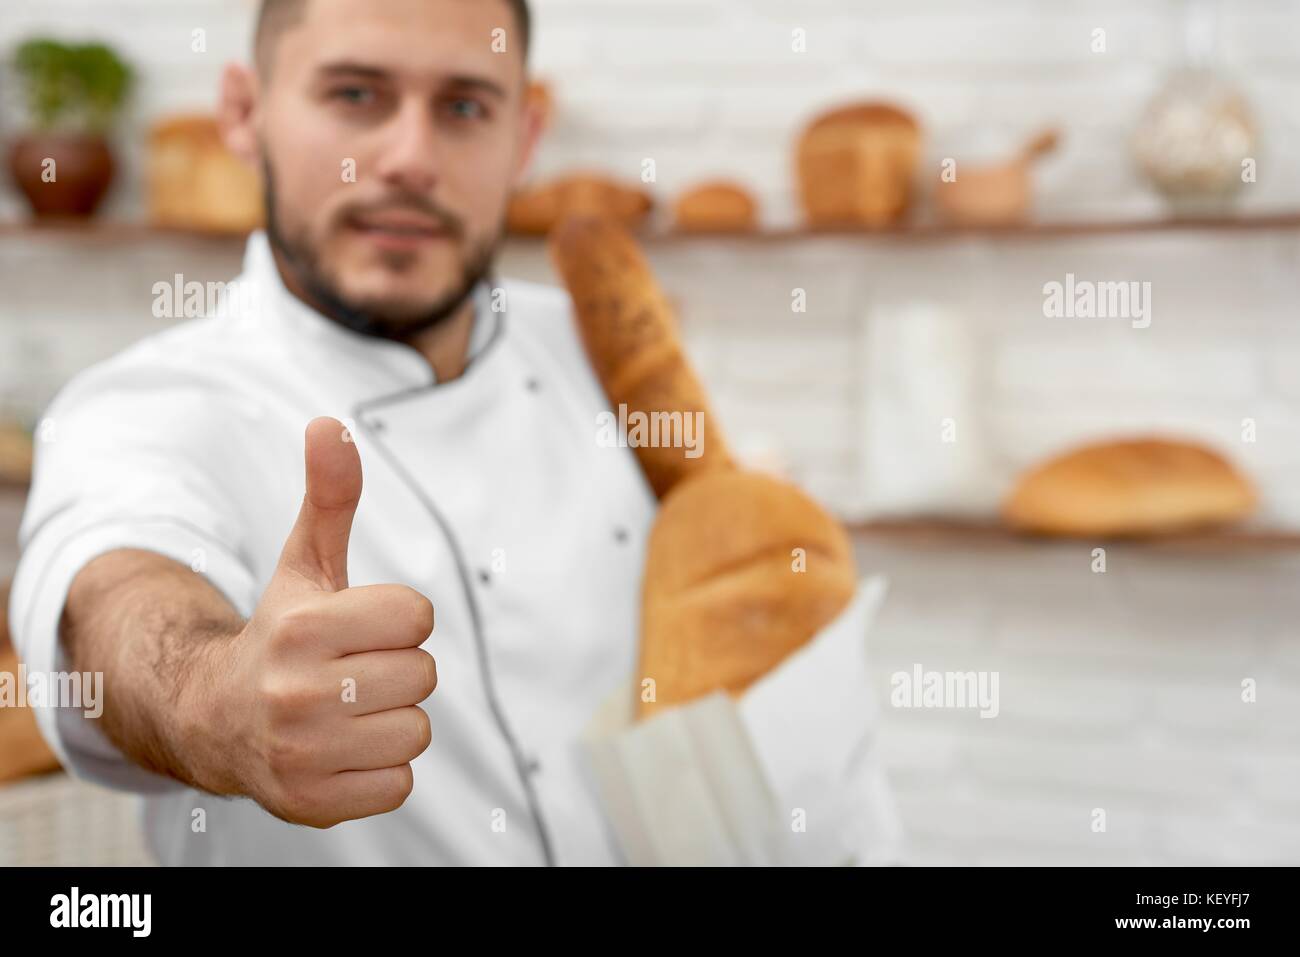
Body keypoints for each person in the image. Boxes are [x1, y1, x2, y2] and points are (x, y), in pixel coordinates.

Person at [10, 0, 896, 865]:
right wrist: (215, 698)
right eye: (356, 95)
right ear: (245, 113)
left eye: (465, 107)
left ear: (527, 135)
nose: (410, 159)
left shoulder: (600, 349)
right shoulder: (145, 403)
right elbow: (111, 591)